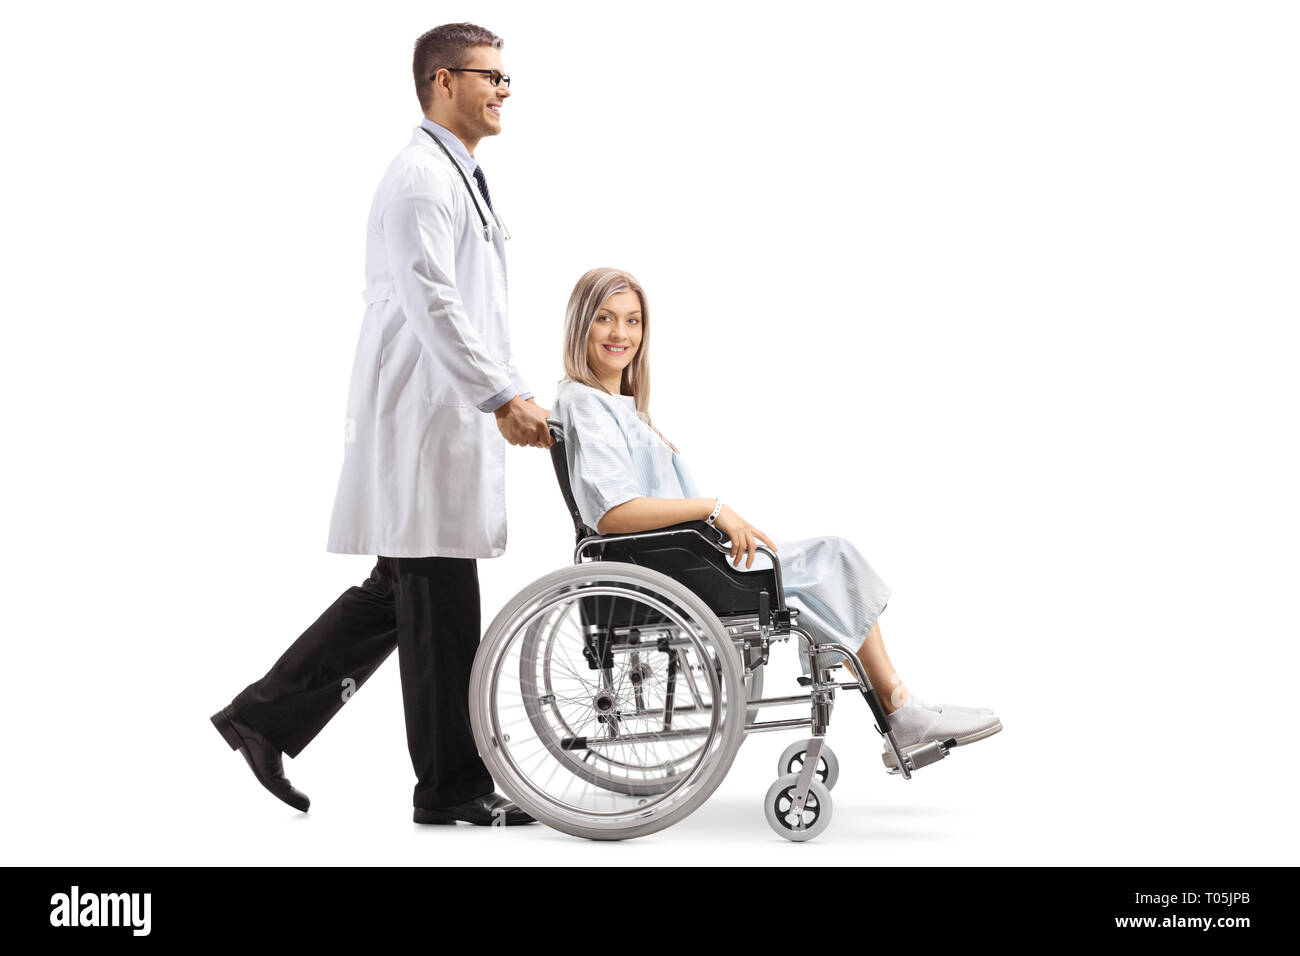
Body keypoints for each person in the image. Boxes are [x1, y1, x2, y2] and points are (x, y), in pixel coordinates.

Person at [210, 23, 552, 826]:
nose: (504, 91)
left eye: (507, 78)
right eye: (490, 76)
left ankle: (264, 717)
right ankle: (452, 788)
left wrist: (507, 386)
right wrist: (502, 395)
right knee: (436, 602)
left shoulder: (454, 174)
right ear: (441, 80)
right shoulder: (418, 183)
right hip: (426, 419)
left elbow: (468, 304)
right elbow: (436, 303)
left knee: (400, 592)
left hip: (438, 416)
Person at [550, 267, 1002, 767]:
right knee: (832, 556)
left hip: (681, 557)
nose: (621, 334)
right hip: (665, 567)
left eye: (633, 321)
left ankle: (900, 708)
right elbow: (613, 514)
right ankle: (899, 708)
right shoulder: (585, 403)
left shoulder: (616, 406)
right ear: (580, 326)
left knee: (831, 559)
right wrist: (715, 510)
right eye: (605, 319)